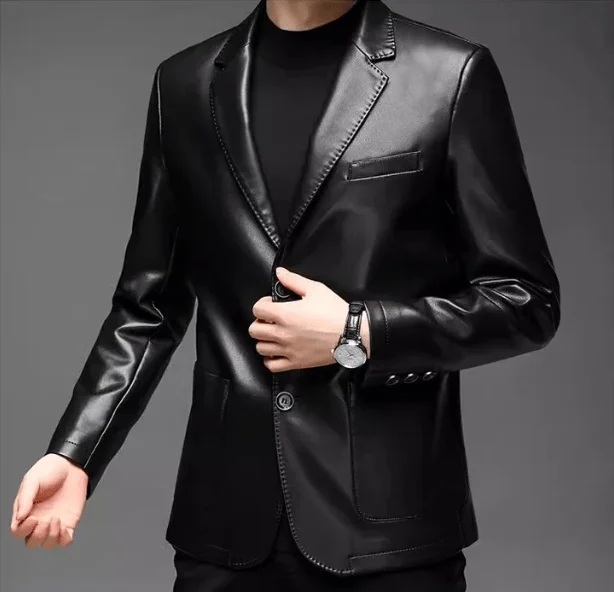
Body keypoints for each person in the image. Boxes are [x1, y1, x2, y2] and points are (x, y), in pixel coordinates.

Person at [10, 0, 561, 590]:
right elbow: (148, 307)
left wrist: (359, 333)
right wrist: (77, 452)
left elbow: (527, 300)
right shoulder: (184, 84)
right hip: (225, 530)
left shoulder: (449, 74)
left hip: (389, 533)